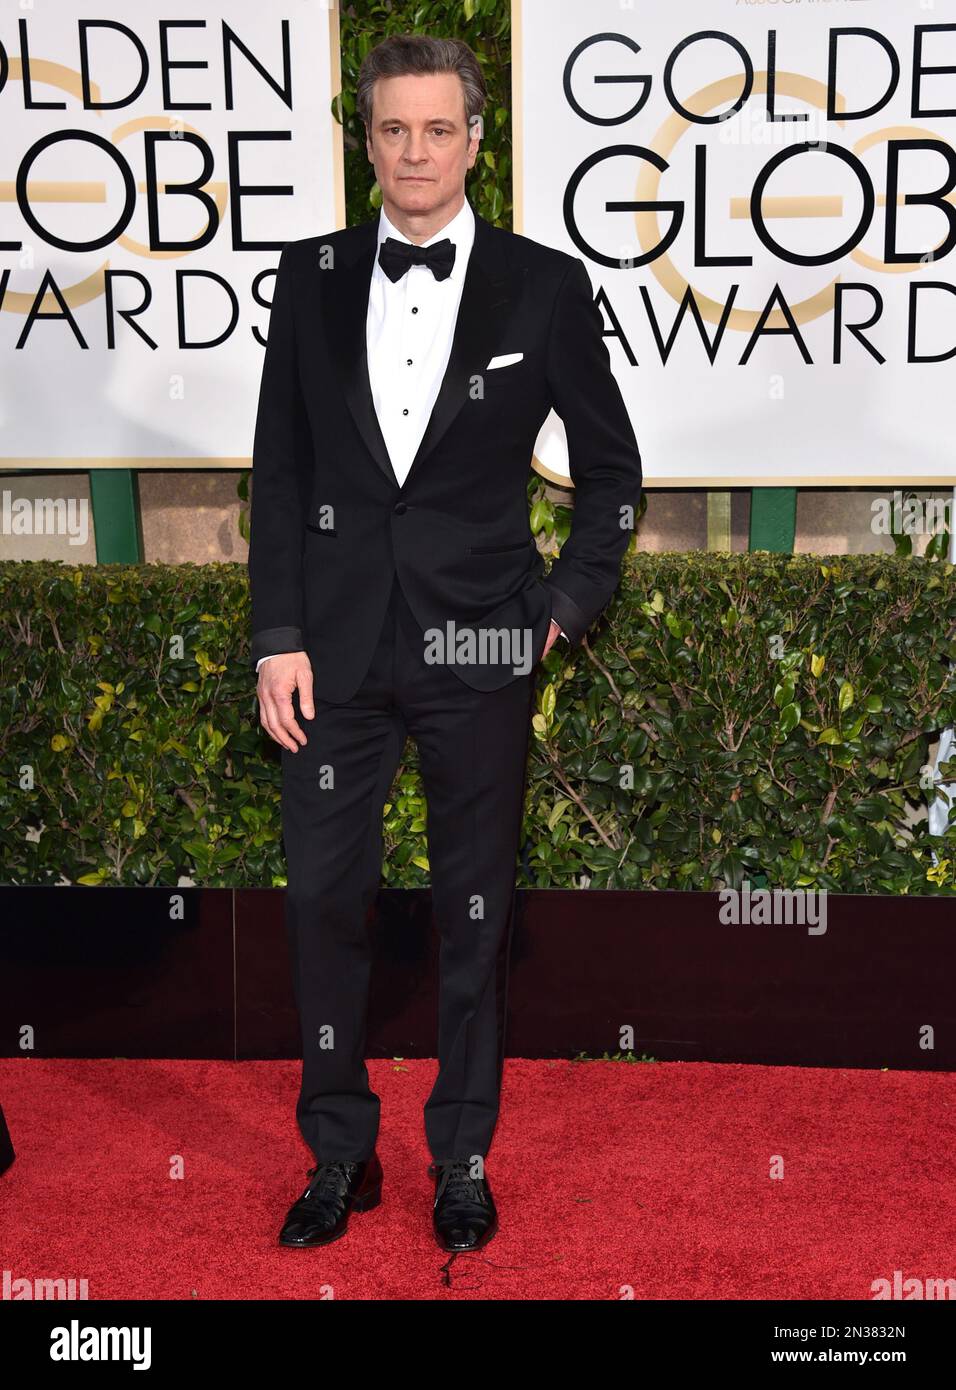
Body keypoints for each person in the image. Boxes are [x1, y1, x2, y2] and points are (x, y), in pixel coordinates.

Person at [248, 33, 641, 1253]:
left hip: (482, 651)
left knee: (475, 914)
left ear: (476, 139)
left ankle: (461, 1154)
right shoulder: (307, 275)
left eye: (437, 129)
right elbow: (279, 473)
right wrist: (277, 636)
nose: (413, 153)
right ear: (364, 142)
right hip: (337, 656)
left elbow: (612, 475)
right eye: (391, 130)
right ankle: (338, 1154)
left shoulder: (543, 285)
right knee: (324, 902)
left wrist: (556, 616)